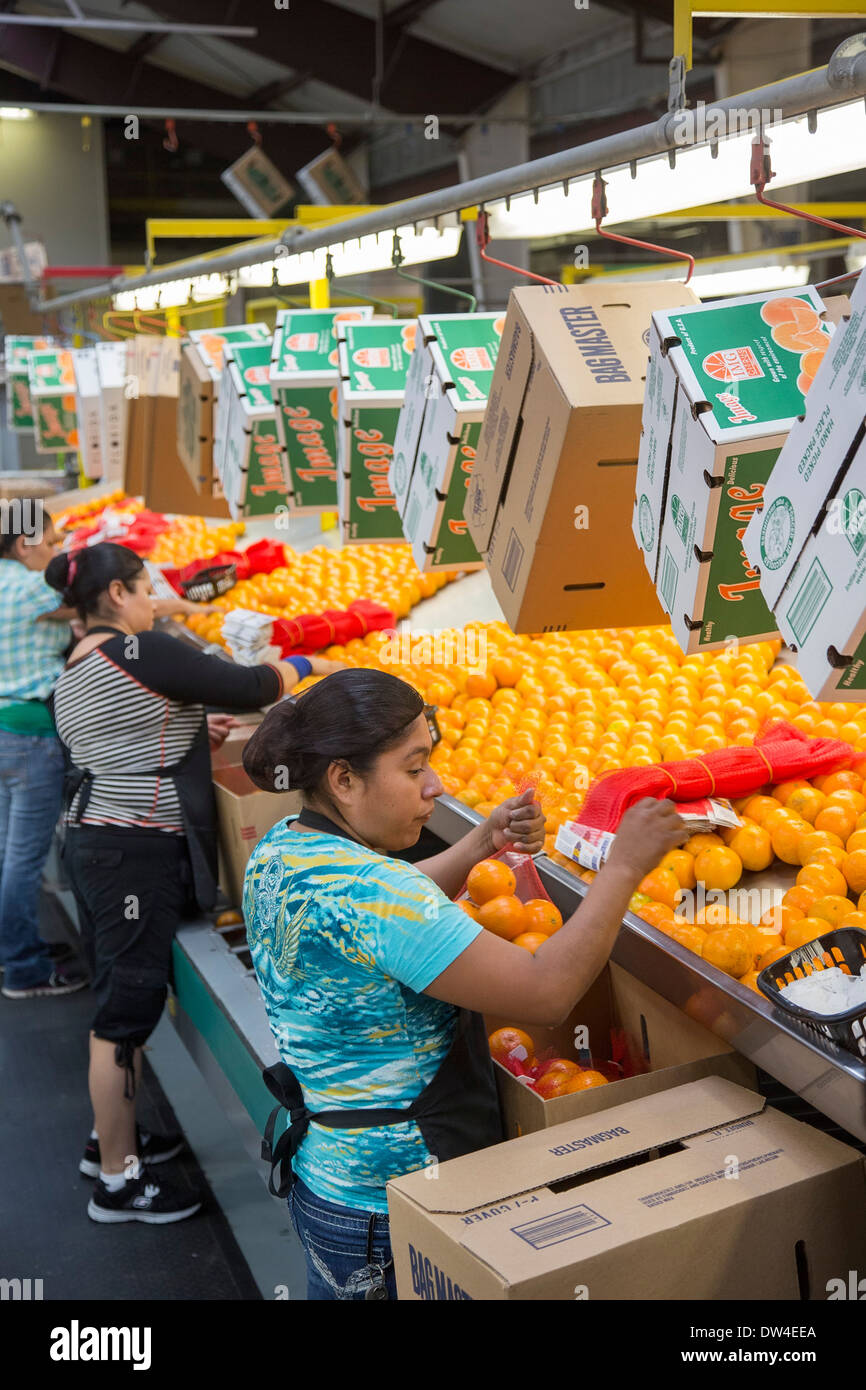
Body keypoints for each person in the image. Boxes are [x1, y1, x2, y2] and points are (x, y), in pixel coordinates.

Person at [242, 668, 686, 1300]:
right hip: (399, 1204)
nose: (435, 784)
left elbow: (388, 912)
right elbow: (546, 991)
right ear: (343, 779)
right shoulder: (376, 894)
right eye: (413, 767)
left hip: (329, 1186)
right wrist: (623, 869)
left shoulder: (285, 849)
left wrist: (482, 842)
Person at [47, 541, 344, 1225]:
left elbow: (121, 737)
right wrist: (316, 665)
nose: (155, 600)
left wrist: (184, 727)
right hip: (129, 850)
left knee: (120, 998)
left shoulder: (84, 658)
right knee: (125, 1012)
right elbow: (249, 685)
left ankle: (108, 1141)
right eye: (146, 587)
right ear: (117, 595)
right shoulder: (137, 651)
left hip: (100, 838)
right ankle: (117, 1184)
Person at [0, 499, 84, 998]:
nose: (55, 554)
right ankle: (25, 970)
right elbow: (105, 598)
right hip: (30, 735)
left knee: (8, 851)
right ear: (27, 543)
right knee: (23, 860)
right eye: (50, 543)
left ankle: (14, 947)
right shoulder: (34, 587)